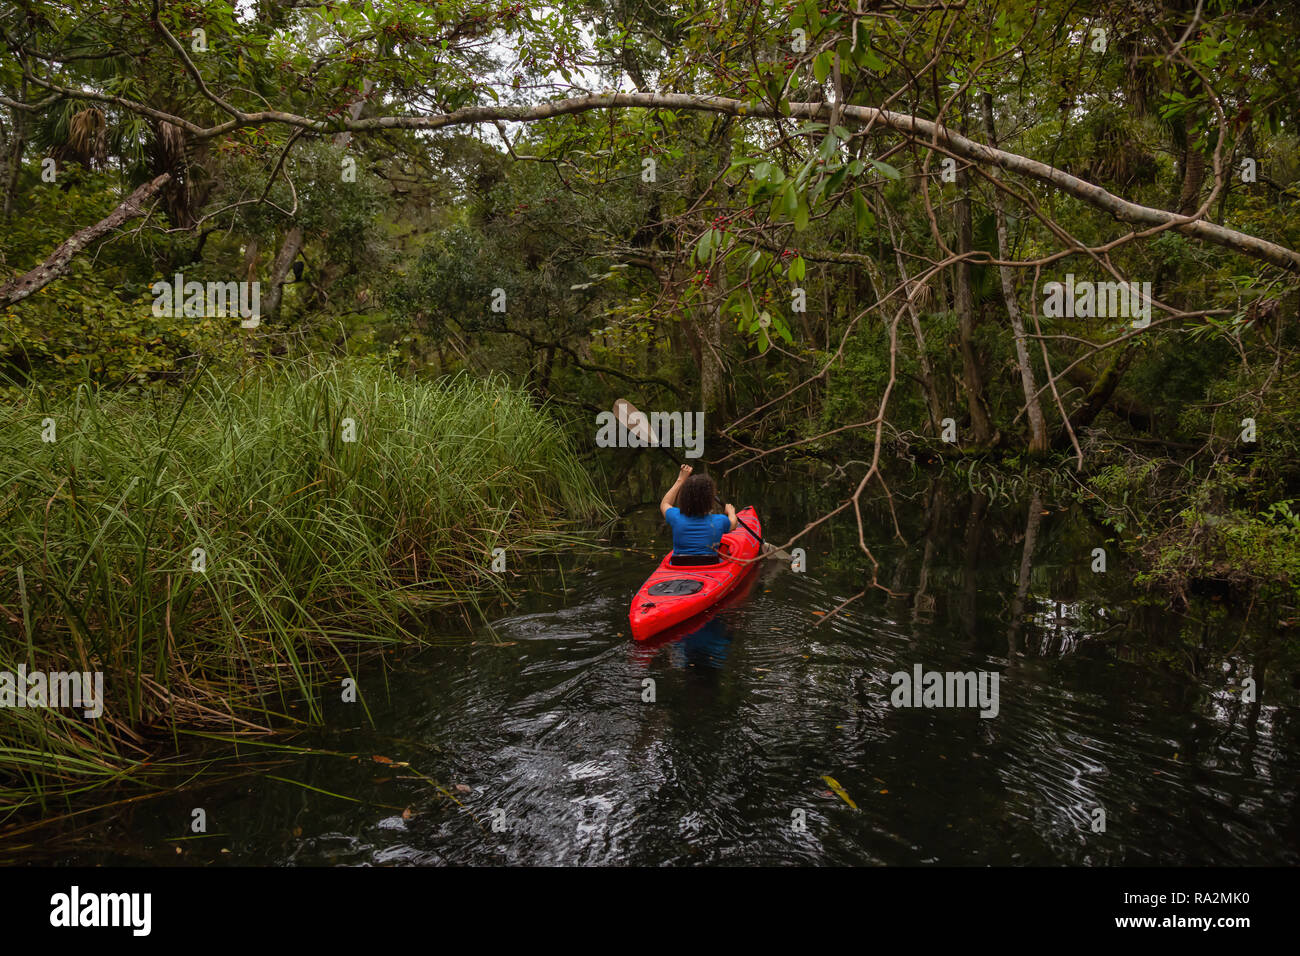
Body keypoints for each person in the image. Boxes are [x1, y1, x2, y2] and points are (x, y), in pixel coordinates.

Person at [659, 464, 738, 565]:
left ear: (684, 497)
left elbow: (665, 504)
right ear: (709, 499)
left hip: (678, 565)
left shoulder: (675, 517)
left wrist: (681, 479)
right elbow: (734, 524)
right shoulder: (720, 520)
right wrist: (731, 512)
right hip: (709, 565)